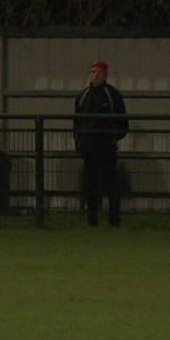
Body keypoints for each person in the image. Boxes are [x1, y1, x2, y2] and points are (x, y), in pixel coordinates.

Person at [73, 60, 128, 227]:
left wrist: (113, 138)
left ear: (105, 75)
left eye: (98, 72)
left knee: (111, 184)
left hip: (106, 148)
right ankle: (92, 220)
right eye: (92, 72)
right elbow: (77, 121)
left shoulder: (113, 95)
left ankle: (114, 219)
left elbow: (122, 121)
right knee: (90, 185)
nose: (94, 75)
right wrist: (79, 140)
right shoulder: (83, 96)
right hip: (88, 148)